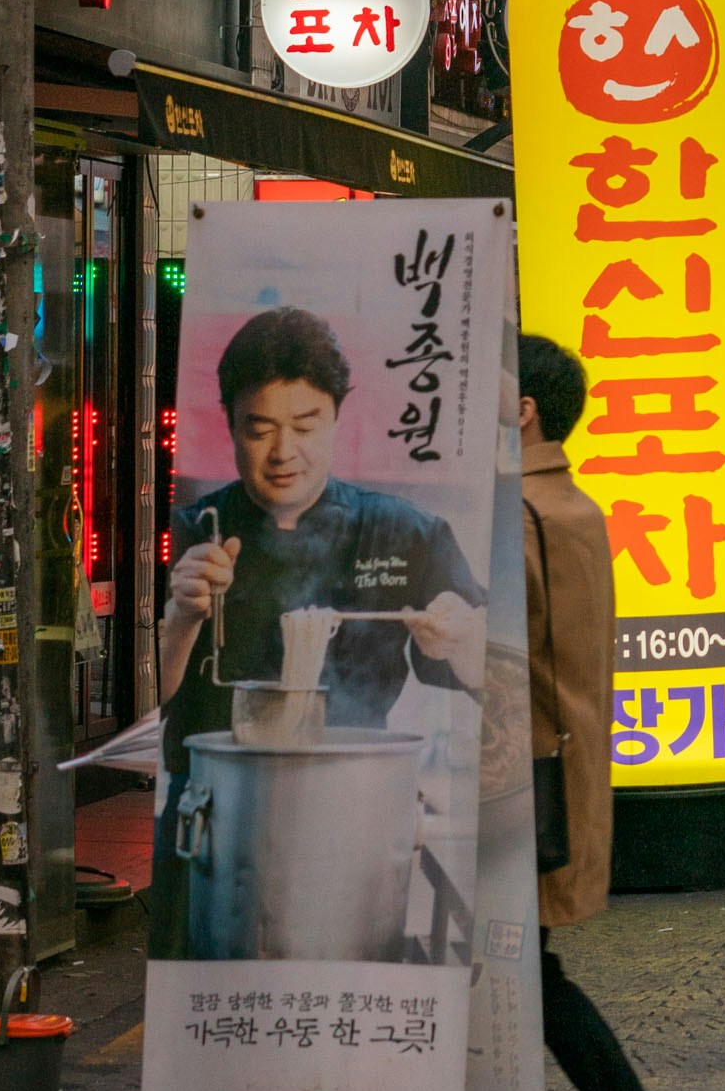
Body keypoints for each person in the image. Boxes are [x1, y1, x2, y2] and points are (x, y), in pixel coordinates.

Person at [153, 305, 488, 955]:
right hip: (212, 821)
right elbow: (141, 706)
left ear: (337, 418)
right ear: (229, 425)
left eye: (305, 425)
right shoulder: (191, 530)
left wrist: (466, 643)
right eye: (259, 429)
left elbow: (492, 679)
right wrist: (180, 619)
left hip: (354, 823)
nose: (284, 453)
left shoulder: (406, 533)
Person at [519, 335, 689, 1091]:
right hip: (567, 767)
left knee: (518, 968)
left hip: (515, 782)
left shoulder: (514, 513)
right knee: (518, 966)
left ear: (522, 412)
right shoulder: (573, 505)